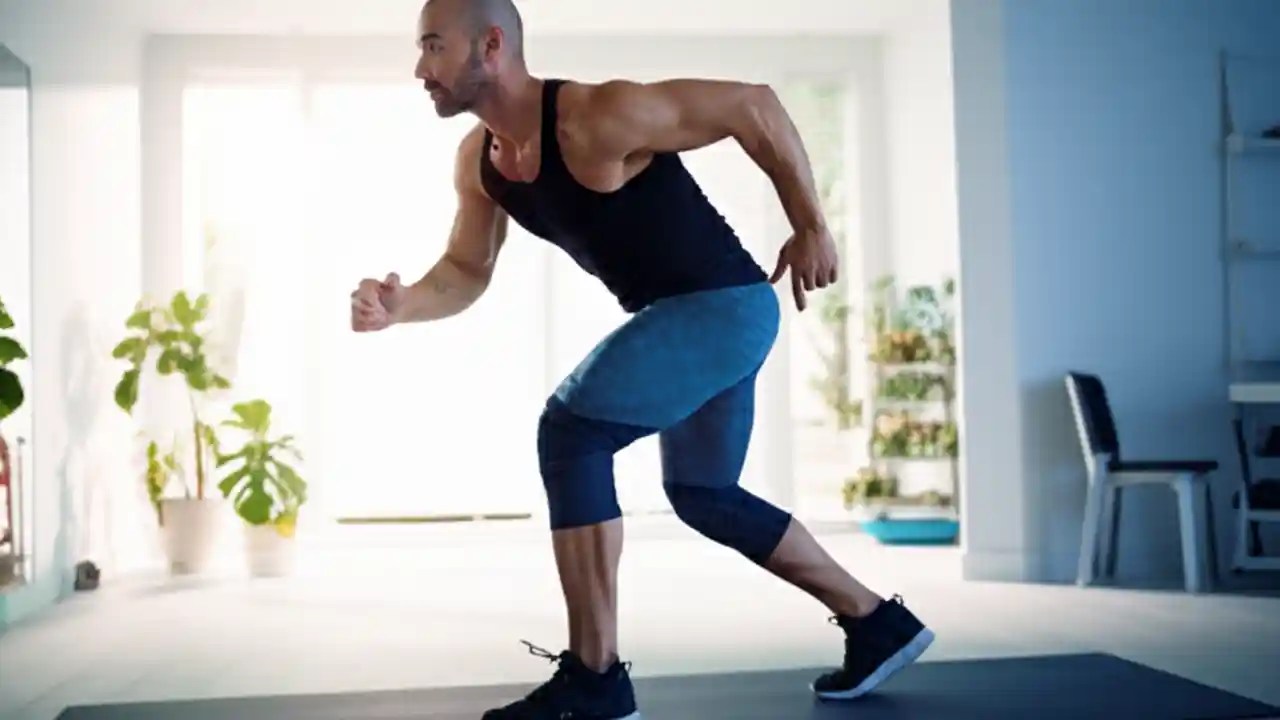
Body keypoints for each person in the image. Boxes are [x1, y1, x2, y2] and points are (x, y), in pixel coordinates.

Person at [349, 0, 934, 717]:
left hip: (720, 308)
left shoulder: (597, 116)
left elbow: (753, 104)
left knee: (571, 433)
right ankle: (876, 622)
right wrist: (401, 304)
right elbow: (466, 269)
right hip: (707, 317)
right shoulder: (481, 161)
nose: (421, 68)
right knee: (704, 493)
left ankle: (596, 677)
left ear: (491, 46)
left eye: (434, 46)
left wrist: (811, 223)